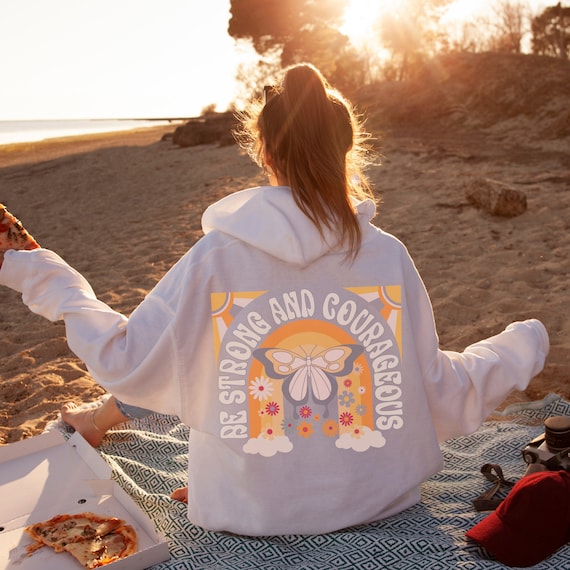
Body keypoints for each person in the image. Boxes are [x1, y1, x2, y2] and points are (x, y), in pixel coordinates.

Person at [0, 63, 549, 536]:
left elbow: (126, 360)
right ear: (345, 148)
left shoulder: (217, 257)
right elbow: (432, 386)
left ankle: (244, 482)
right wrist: (521, 344)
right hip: (381, 497)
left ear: (264, 150)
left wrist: (42, 271)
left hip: (250, 511)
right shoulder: (386, 255)